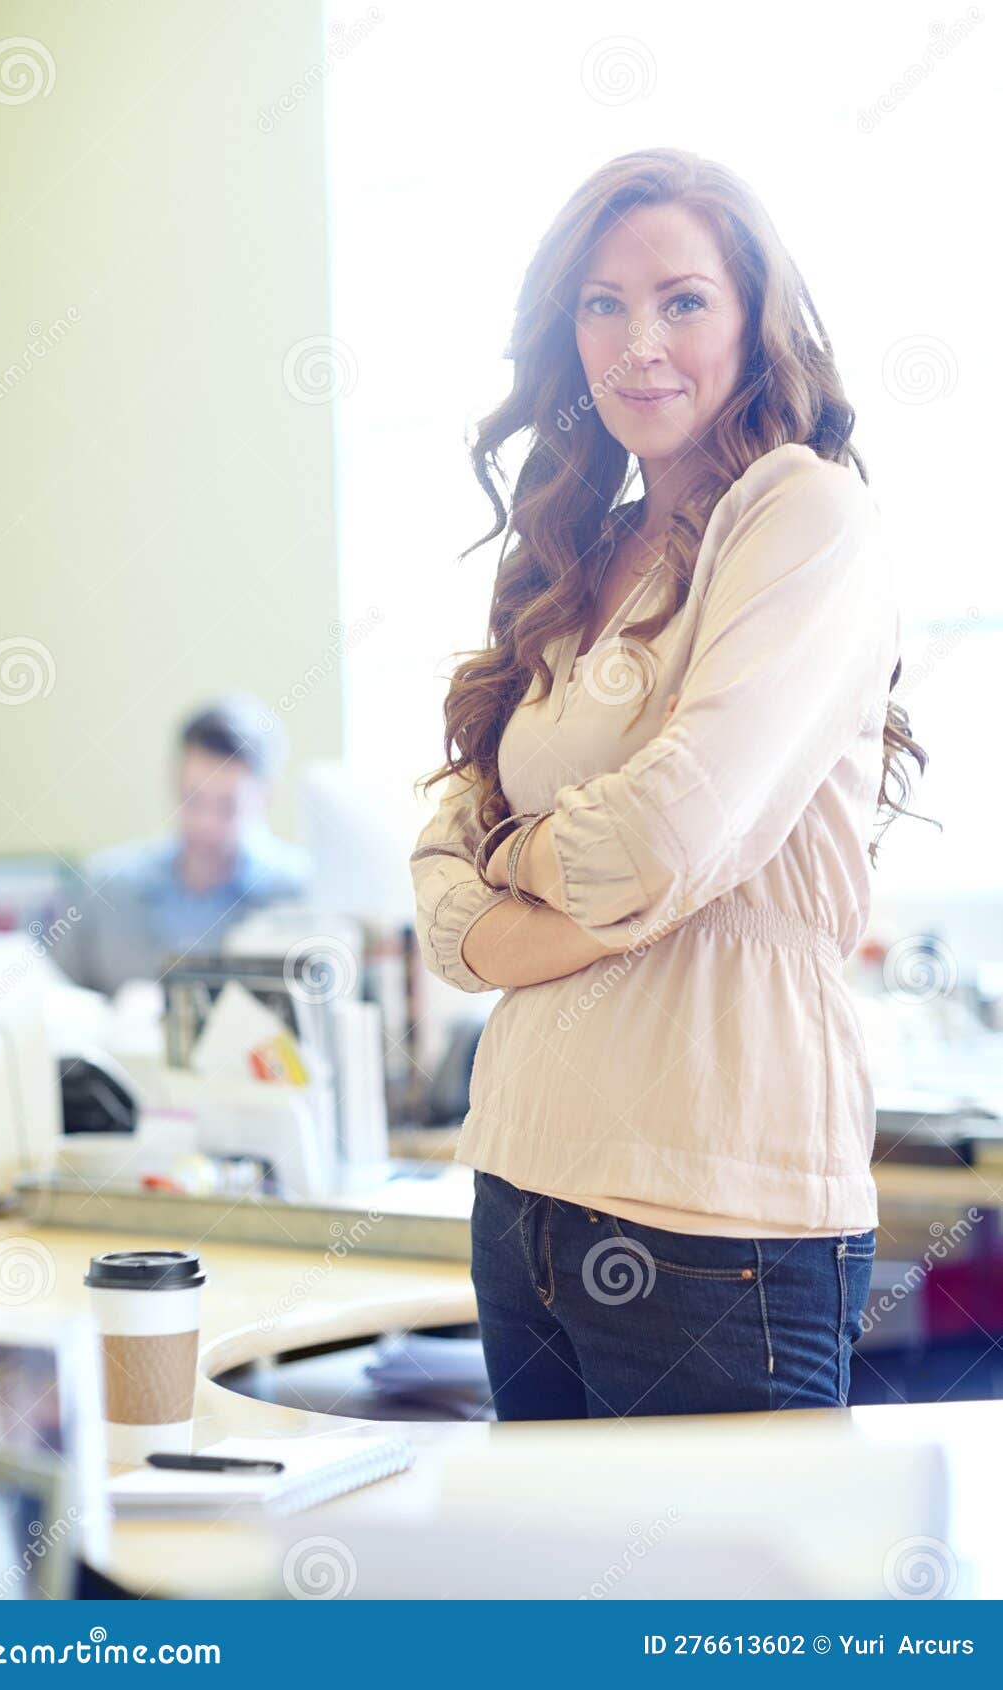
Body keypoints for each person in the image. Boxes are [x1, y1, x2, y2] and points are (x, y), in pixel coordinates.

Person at [409, 147, 932, 1422]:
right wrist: (549, 881)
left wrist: (521, 860)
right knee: (557, 1618)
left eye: (683, 299)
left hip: (713, 1210)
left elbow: (663, 835)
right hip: (520, 1179)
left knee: (722, 1625)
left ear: (756, 322)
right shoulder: (571, 551)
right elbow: (438, 878)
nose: (639, 339)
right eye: (602, 303)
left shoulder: (801, 514)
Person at [57, 693, 312, 995]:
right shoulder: (107, 886)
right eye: (192, 799)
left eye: (227, 807)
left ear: (266, 796)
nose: (205, 823)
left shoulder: (302, 896)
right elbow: (56, 1000)